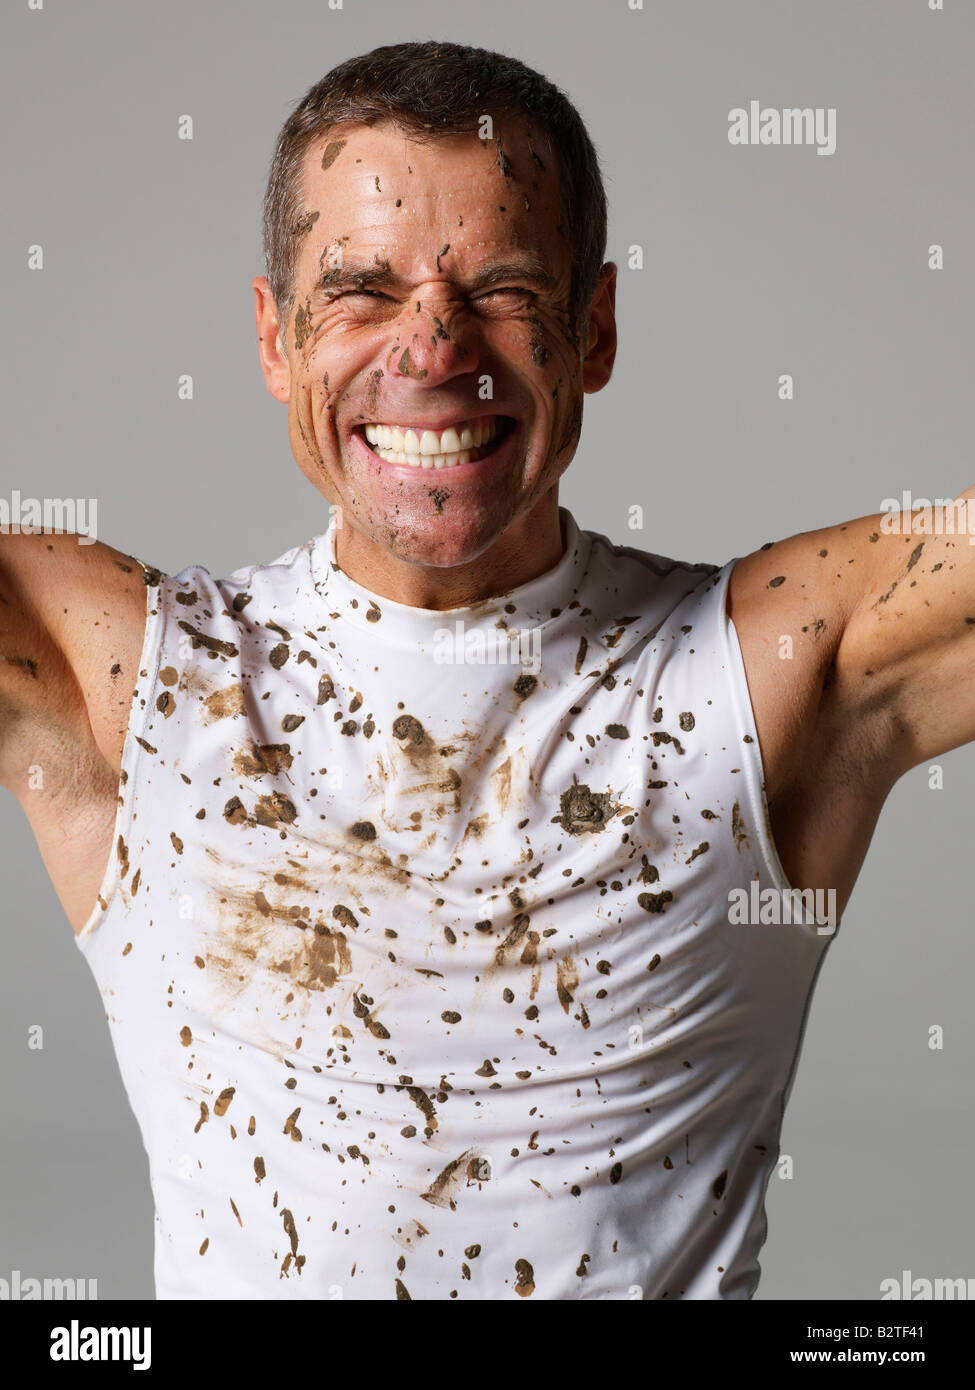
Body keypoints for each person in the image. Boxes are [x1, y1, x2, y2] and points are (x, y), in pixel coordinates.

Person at [1, 39, 971, 1301]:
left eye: (505, 289)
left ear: (597, 327)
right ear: (273, 340)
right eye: (359, 291)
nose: (431, 346)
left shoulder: (767, 674)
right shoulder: (127, 678)